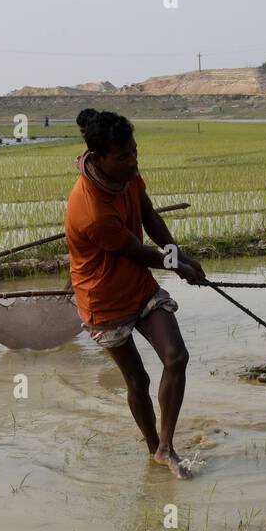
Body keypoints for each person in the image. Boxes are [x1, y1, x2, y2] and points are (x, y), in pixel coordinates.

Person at [65, 109, 207, 479]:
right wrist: (179, 267)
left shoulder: (127, 175)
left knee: (176, 357)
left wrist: (182, 254)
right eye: (123, 156)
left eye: (134, 152)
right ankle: (153, 449)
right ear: (98, 158)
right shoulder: (91, 210)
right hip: (103, 300)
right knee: (137, 381)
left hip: (139, 286)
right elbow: (136, 250)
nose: (132, 162)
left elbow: (150, 218)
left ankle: (166, 447)